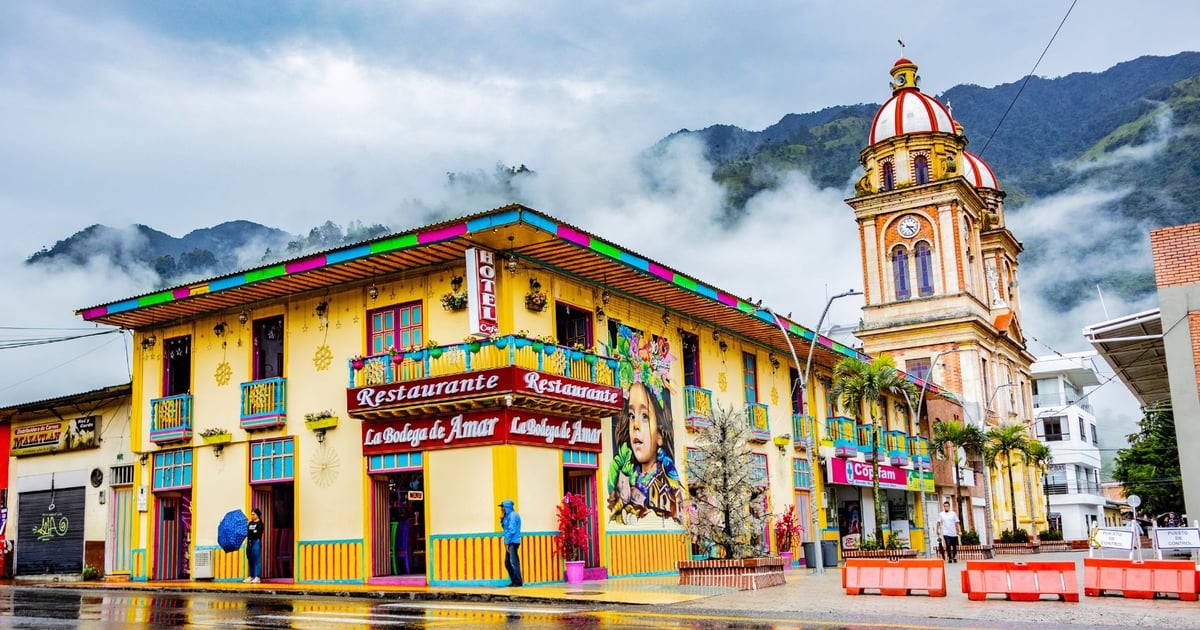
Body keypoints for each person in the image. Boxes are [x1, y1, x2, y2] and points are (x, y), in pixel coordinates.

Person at [499, 499, 522, 587]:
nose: (501, 509)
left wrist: (507, 542)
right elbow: (505, 528)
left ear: (506, 507)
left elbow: (512, 530)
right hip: (509, 541)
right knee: (507, 563)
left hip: (513, 541)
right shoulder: (508, 516)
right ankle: (514, 581)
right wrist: (501, 520)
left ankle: (518, 582)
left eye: (502, 507)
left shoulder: (513, 515)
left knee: (513, 562)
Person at [244, 508, 263, 584]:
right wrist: (252, 531)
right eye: (251, 514)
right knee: (250, 559)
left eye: (254, 514)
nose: (252, 516)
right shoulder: (250, 523)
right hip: (249, 542)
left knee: (256, 559)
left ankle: (257, 576)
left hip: (256, 541)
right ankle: (251, 576)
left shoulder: (260, 524)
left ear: (257, 515)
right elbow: (249, 532)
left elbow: (258, 533)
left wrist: (253, 532)